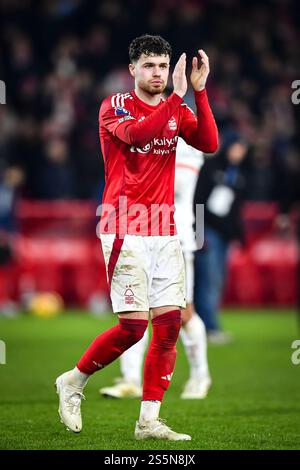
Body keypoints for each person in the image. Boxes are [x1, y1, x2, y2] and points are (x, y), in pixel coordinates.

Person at [55, 34, 218, 441]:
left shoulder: (175, 108)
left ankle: (148, 421)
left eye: (163, 66)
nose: (157, 73)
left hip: (165, 229)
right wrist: (177, 98)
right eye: (149, 66)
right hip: (124, 225)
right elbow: (140, 136)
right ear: (132, 70)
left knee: (167, 327)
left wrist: (199, 92)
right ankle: (73, 381)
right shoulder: (115, 106)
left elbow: (210, 143)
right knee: (132, 327)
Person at [99, 137, 211, 400]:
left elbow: (179, 187)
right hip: (141, 232)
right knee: (135, 311)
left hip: (177, 236)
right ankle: (130, 379)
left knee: (183, 312)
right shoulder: (149, 134)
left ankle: (200, 376)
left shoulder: (186, 140)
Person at [193, 131, 249, 344]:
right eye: (237, 147)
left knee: (216, 280)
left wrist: (238, 236)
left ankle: (204, 326)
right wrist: (198, 235)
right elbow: (197, 202)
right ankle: (208, 327)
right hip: (208, 232)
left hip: (223, 236)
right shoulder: (211, 168)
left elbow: (236, 211)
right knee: (208, 280)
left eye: (243, 149)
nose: (240, 153)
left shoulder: (239, 175)